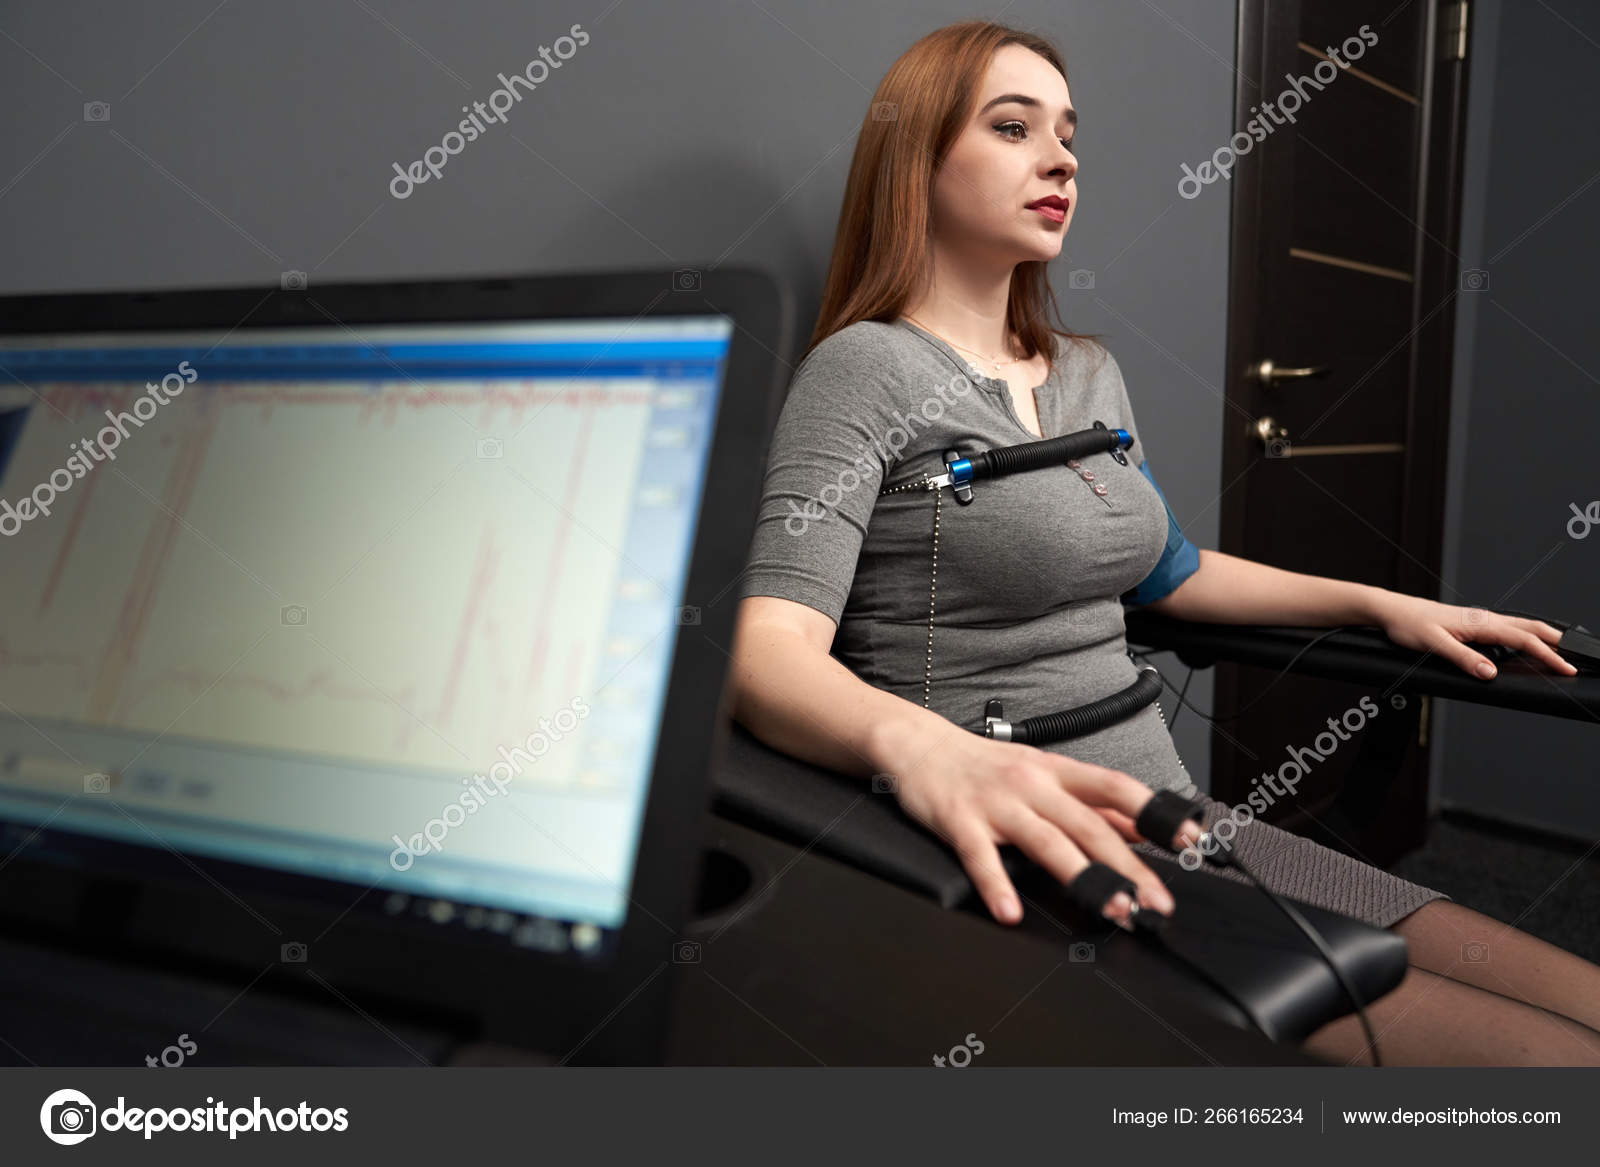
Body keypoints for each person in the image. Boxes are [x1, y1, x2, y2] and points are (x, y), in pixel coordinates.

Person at [728, 19, 1600, 1066]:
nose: (1060, 159)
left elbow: (1171, 572)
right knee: (1559, 1068)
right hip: (1041, 840)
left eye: (1067, 134)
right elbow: (763, 652)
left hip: (1183, 814)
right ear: (915, 156)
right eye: (1013, 128)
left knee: (1586, 1000)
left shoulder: (1083, 369)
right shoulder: (862, 372)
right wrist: (928, 754)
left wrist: (1380, 603)